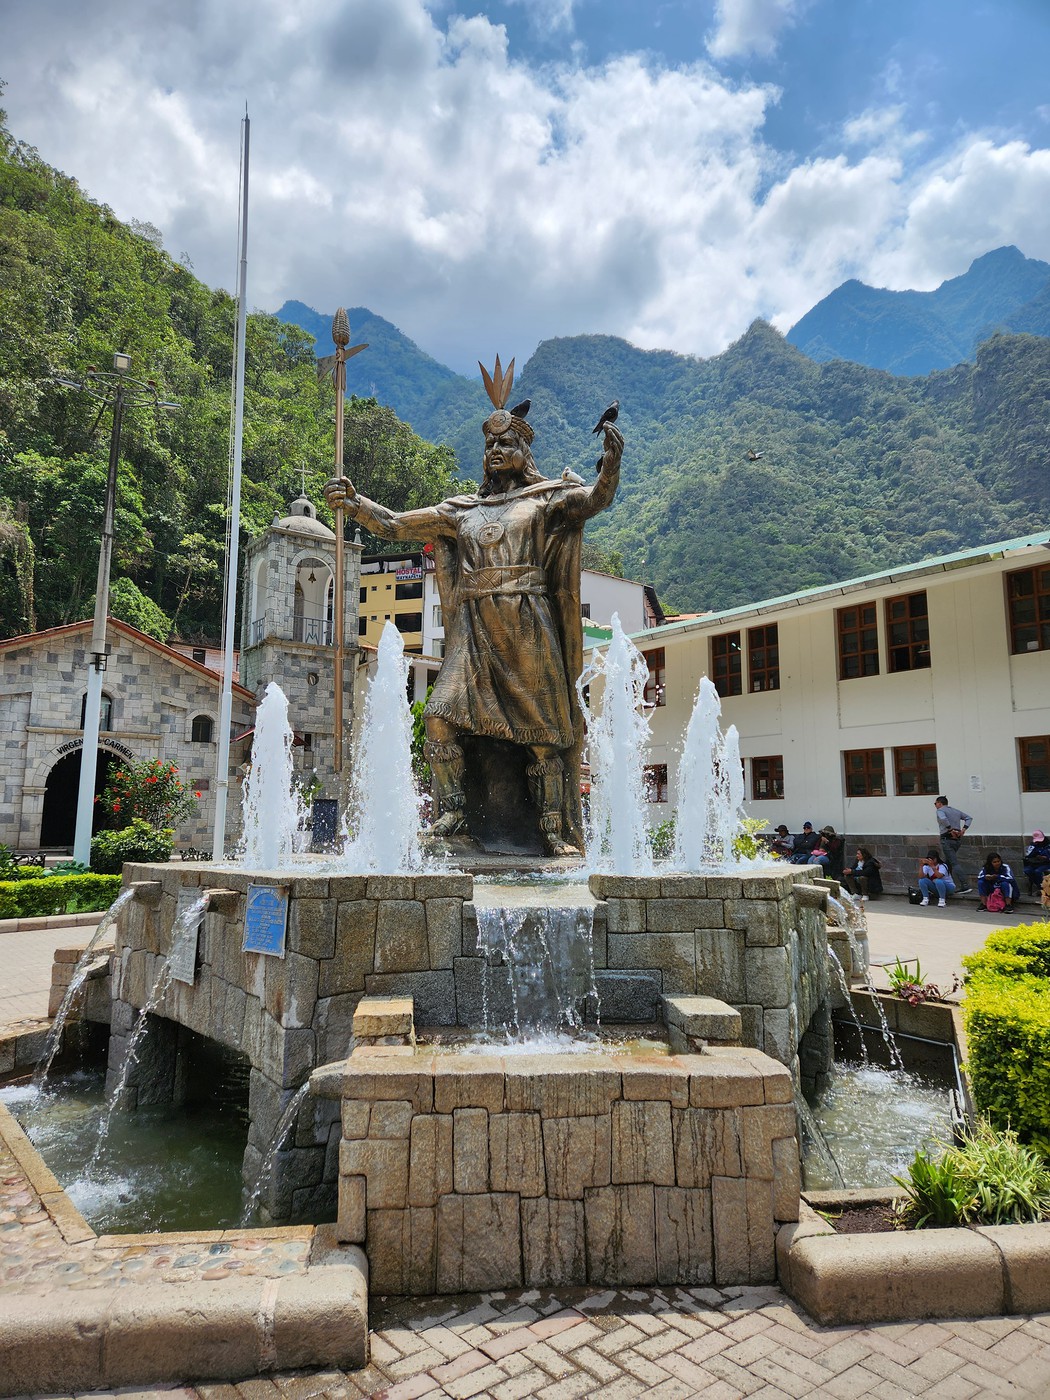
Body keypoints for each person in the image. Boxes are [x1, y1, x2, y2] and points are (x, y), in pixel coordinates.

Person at [326, 362, 623, 855]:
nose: (496, 451)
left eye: (506, 444)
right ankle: (453, 814)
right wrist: (357, 504)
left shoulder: (546, 500)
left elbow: (595, 499)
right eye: (489, 445)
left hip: (528, 623)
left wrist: (609, 465)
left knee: (544, 730)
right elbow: (397, 524)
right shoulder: (460, 511)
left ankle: (552, 828)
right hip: (477, 629)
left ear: (524, 451)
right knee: (440, 715)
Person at [934, 796, 973, 892]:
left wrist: (950, 829)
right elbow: (969, 818)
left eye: (935, 804)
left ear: (940, 803)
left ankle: (965, 885)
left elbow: (943, 819)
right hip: (957, 839)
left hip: (947, 838)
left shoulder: (940, 811)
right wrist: (963, 829)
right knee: (948, 861)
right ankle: (947, 882)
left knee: (954, 862)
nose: (935, 806)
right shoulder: (955, 811)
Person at [1023, 829, 1050, 894]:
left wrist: (1045, 857)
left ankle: (1042, 888)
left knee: (1037, 871)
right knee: (1027, 870)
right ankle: (1039, 885)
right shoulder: (1034, 845)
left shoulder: (1048, 846)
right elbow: (1028, 855)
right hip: (1035, 863)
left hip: (1046, 863)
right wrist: (1033, 847)